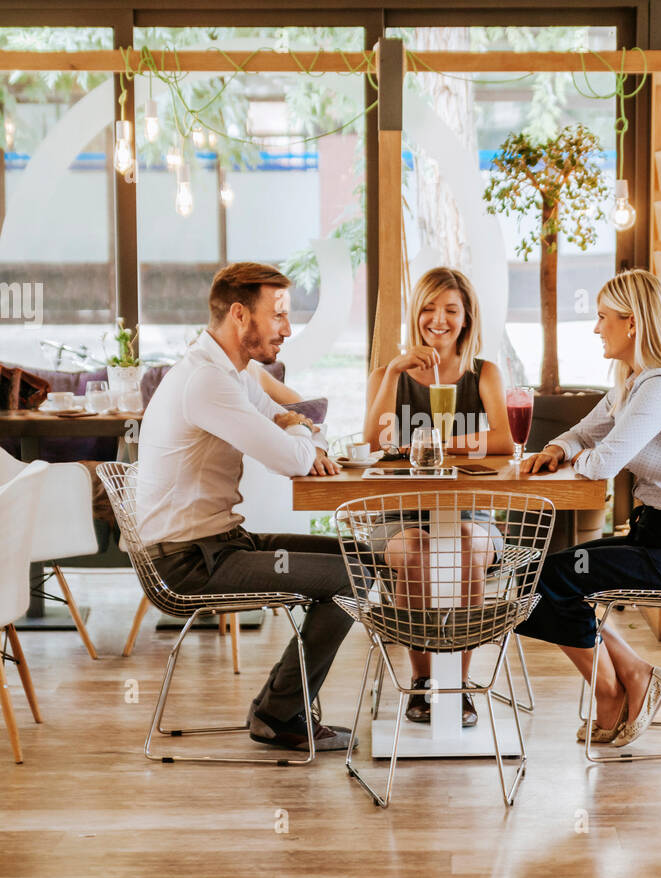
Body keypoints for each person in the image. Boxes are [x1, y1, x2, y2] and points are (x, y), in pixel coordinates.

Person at [136, 261, 355, 753]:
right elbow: (294, 457)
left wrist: (292, 426)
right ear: (239, 314)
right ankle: (279, 714)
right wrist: (298, 431)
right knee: (351, 577)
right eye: (277, 314)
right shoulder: (207, 382)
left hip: (218, 542)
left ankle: (277, 709)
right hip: (186, 561)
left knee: (357, 557)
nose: (288, 328)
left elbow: (286, 423)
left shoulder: (230, 373)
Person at [517, 268, 661, 748]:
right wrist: (557, 449)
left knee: (548, 581)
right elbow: (584, 433)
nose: (596, 328)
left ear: (632, 323)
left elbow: (603, 462)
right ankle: (629, 675)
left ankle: (614, 690)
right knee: (541, 581)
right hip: (656, 536)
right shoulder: (633, 385)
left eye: (603, 318)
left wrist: (578, 456)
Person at [363, 267, 513, 727]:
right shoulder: (391, 373)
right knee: (415, 551)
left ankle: (460, 682)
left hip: (472, 512)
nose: (439, 319)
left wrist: (436, 444)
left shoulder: (483, 373)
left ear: (466, 318)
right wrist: (391, 373)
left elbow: (505, 440)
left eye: (451, 310)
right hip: (400, 513)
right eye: (429, 308)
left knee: (465, 543)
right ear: (416, 314)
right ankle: (423, 681)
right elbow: (373, 443)